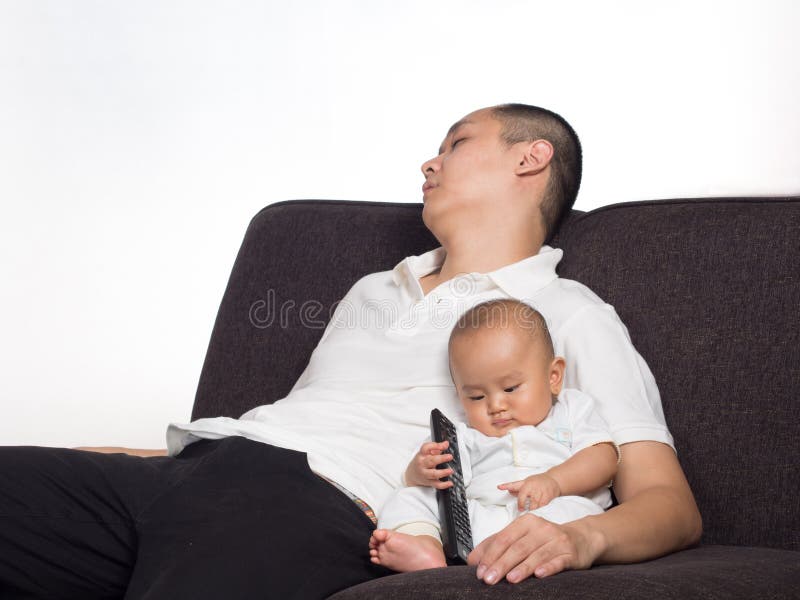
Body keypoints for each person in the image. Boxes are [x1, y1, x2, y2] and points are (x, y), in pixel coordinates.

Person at [0, 104, 701, 599]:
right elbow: (303, 417)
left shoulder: (570, 313)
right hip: (195, 466)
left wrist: (583, 540)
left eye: (455, 143)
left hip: (320, 500)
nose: (429, 161)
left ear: (530, 156)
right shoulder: (371, 289)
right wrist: (123, 460)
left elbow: (669, 502)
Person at [369, 299, 620, 572]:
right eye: (476, 396)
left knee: (578, 512)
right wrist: (420, 472)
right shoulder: (466, 435)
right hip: (483, 525)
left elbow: (603, 458)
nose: (495, 405)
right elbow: (442, 482)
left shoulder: (572, 409)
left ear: (554, 376)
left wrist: (555, 481)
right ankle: (424, 546)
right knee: (409, 497)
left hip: (551, 517)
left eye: (511, 388)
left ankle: (515, 553)